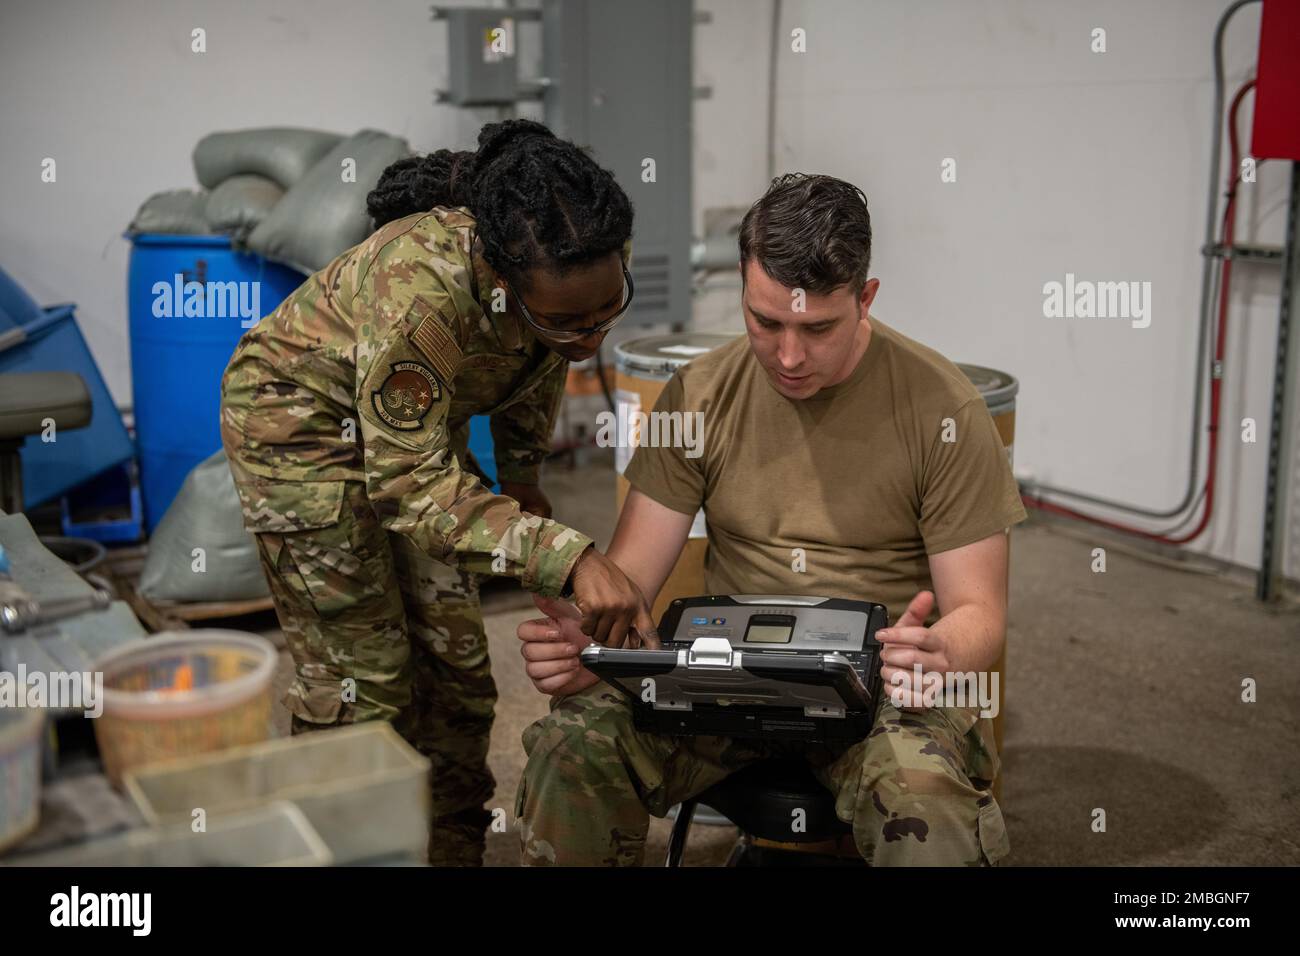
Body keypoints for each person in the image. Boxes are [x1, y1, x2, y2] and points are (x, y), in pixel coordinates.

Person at [514, 173, 1027, 866]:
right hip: (722, 678)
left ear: (865, 298)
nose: (789, 356)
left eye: (818, 328)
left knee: (926, 795)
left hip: (883, 685)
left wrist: (941, 651)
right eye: (766, 322)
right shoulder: (698, 395)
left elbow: (979, 612)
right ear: (744, 292)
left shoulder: (945, 410)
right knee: (571, 748)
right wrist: (594, 639)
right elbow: (633, 575)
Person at [219, 119, 657, 866]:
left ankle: (453, 849)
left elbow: (535, 361)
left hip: (412, 431)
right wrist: (568, 556)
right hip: (302, 431)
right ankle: (355, 854)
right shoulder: (420, 289)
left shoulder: (585, 255)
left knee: (457, 667)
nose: (590, 340)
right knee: (365, 682)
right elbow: (409, 485)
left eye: (604, 316)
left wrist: (522, 481)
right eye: (566, 321)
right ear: (499, 276)